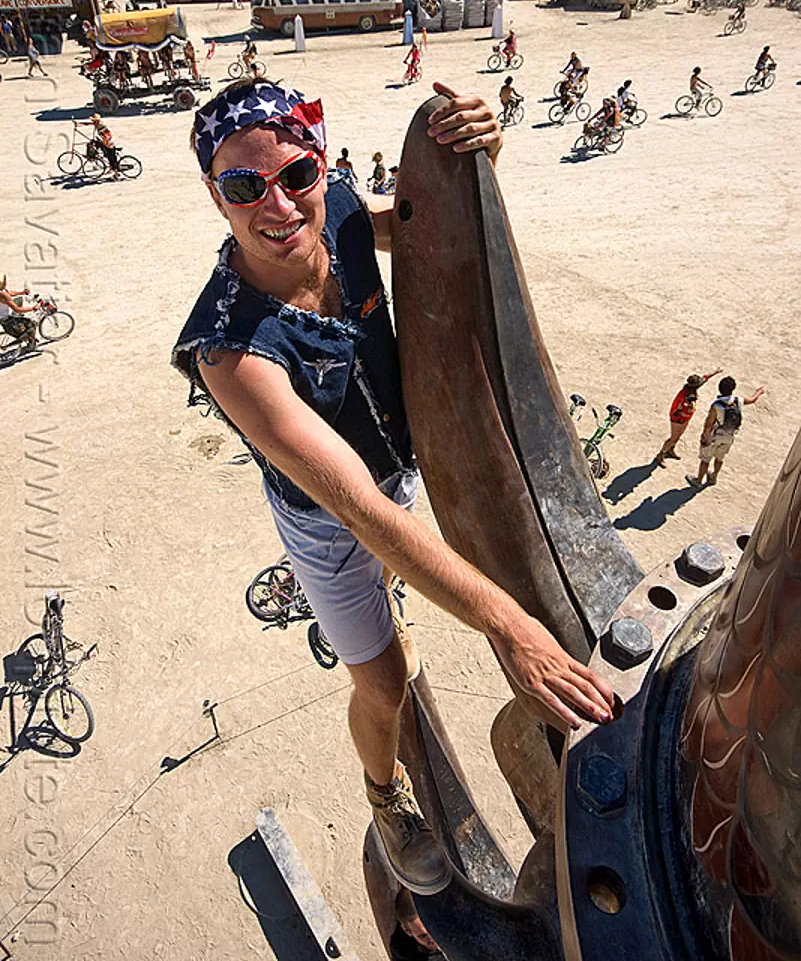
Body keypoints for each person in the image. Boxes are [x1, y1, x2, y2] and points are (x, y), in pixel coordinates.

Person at [172, 78, 615, 897]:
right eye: (244, 186)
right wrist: (510, 629)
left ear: (321, 164)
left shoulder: (338, 209)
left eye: (296, 175)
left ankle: (401, 602)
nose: (277, 205)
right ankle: (386, 792)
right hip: (331, 518)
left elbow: (426, 229)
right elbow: (360, 511)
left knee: (413, 564)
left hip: (400, 473)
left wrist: (477, 152)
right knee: (381, 683)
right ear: (214, 194)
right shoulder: (229, 350)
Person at [687, 376, 765, 488]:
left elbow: (709, 424)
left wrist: (704, 436)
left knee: (705, 459)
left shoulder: (717, 405)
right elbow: (752, 399)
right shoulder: (739, 401)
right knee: (719, 458)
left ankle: (698, 480)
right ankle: (713, 477)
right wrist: (759, 392)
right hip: (729, 436)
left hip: (715, 436)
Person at [654, 369, 721, 467]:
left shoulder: (692, 389)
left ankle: (671, 449)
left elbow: (705, 378)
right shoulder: (683, 396)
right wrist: (687, 409)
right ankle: (661, 454)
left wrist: (715, 372)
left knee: (678, 436)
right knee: (673, 438)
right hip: (678, 419)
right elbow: (677, 412)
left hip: (685, 418)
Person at [390, 888, 445, 959]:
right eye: (423, 936)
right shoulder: (402, 952)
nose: (434, 939)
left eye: (436, 928)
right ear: (407, 931)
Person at [0, 277, 39, 352]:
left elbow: (9, 293)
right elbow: (17, 309)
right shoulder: (3, 294)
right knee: (31, 325)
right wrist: (32, 308)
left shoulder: (2, 291)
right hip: (5, 319)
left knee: (20, 299)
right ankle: (31, 345)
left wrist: (22, 292)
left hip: (4, 311)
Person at [83, 114, 122, 178]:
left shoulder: (101, 127)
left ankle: (116, 174)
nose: (93, 122)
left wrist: (104, 142)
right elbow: (88, 124)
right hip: (109, 143)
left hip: (109, 145)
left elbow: (107, 136)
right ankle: (112, 169)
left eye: (94, 120)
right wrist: (79, 124)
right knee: (109, 157)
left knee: (112, 160)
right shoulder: (98, 124)